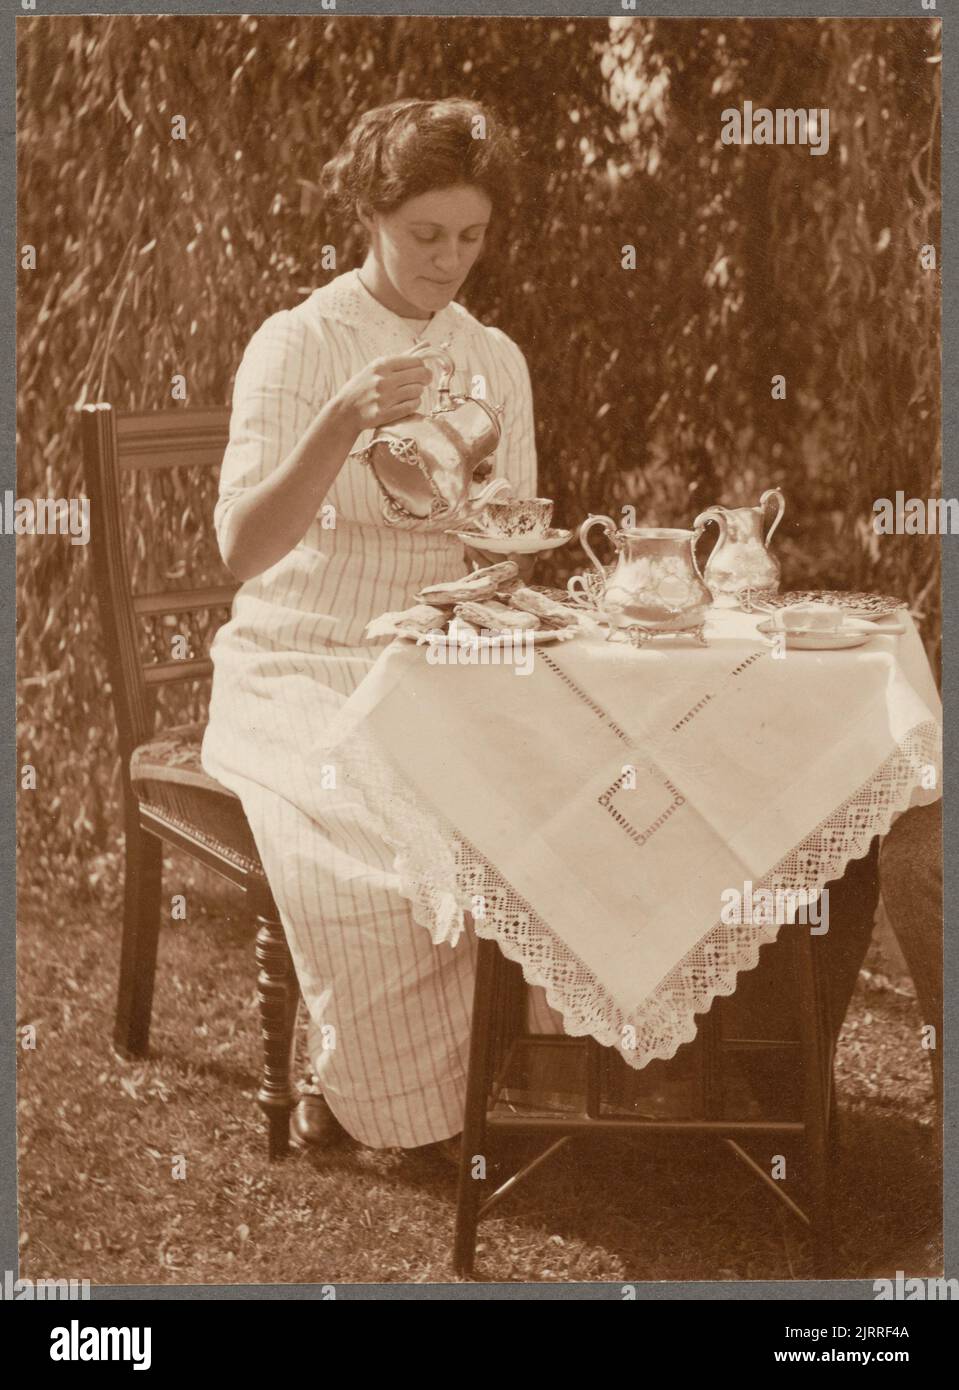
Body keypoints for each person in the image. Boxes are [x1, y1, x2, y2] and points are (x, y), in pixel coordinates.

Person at [201, 99, 538, 1154]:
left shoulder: (495, 359)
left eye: (470, 238)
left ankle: (527, 1077)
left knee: (556, 797)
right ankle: (372, 1099)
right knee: (385, 846)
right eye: (424, 235)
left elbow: (508, 539)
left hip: (434, 657)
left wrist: (501, 540)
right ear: (369, 215)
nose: (448, 262)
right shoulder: (297, 342)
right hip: (298, 656)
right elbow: (241, 550)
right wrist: (342, 417)